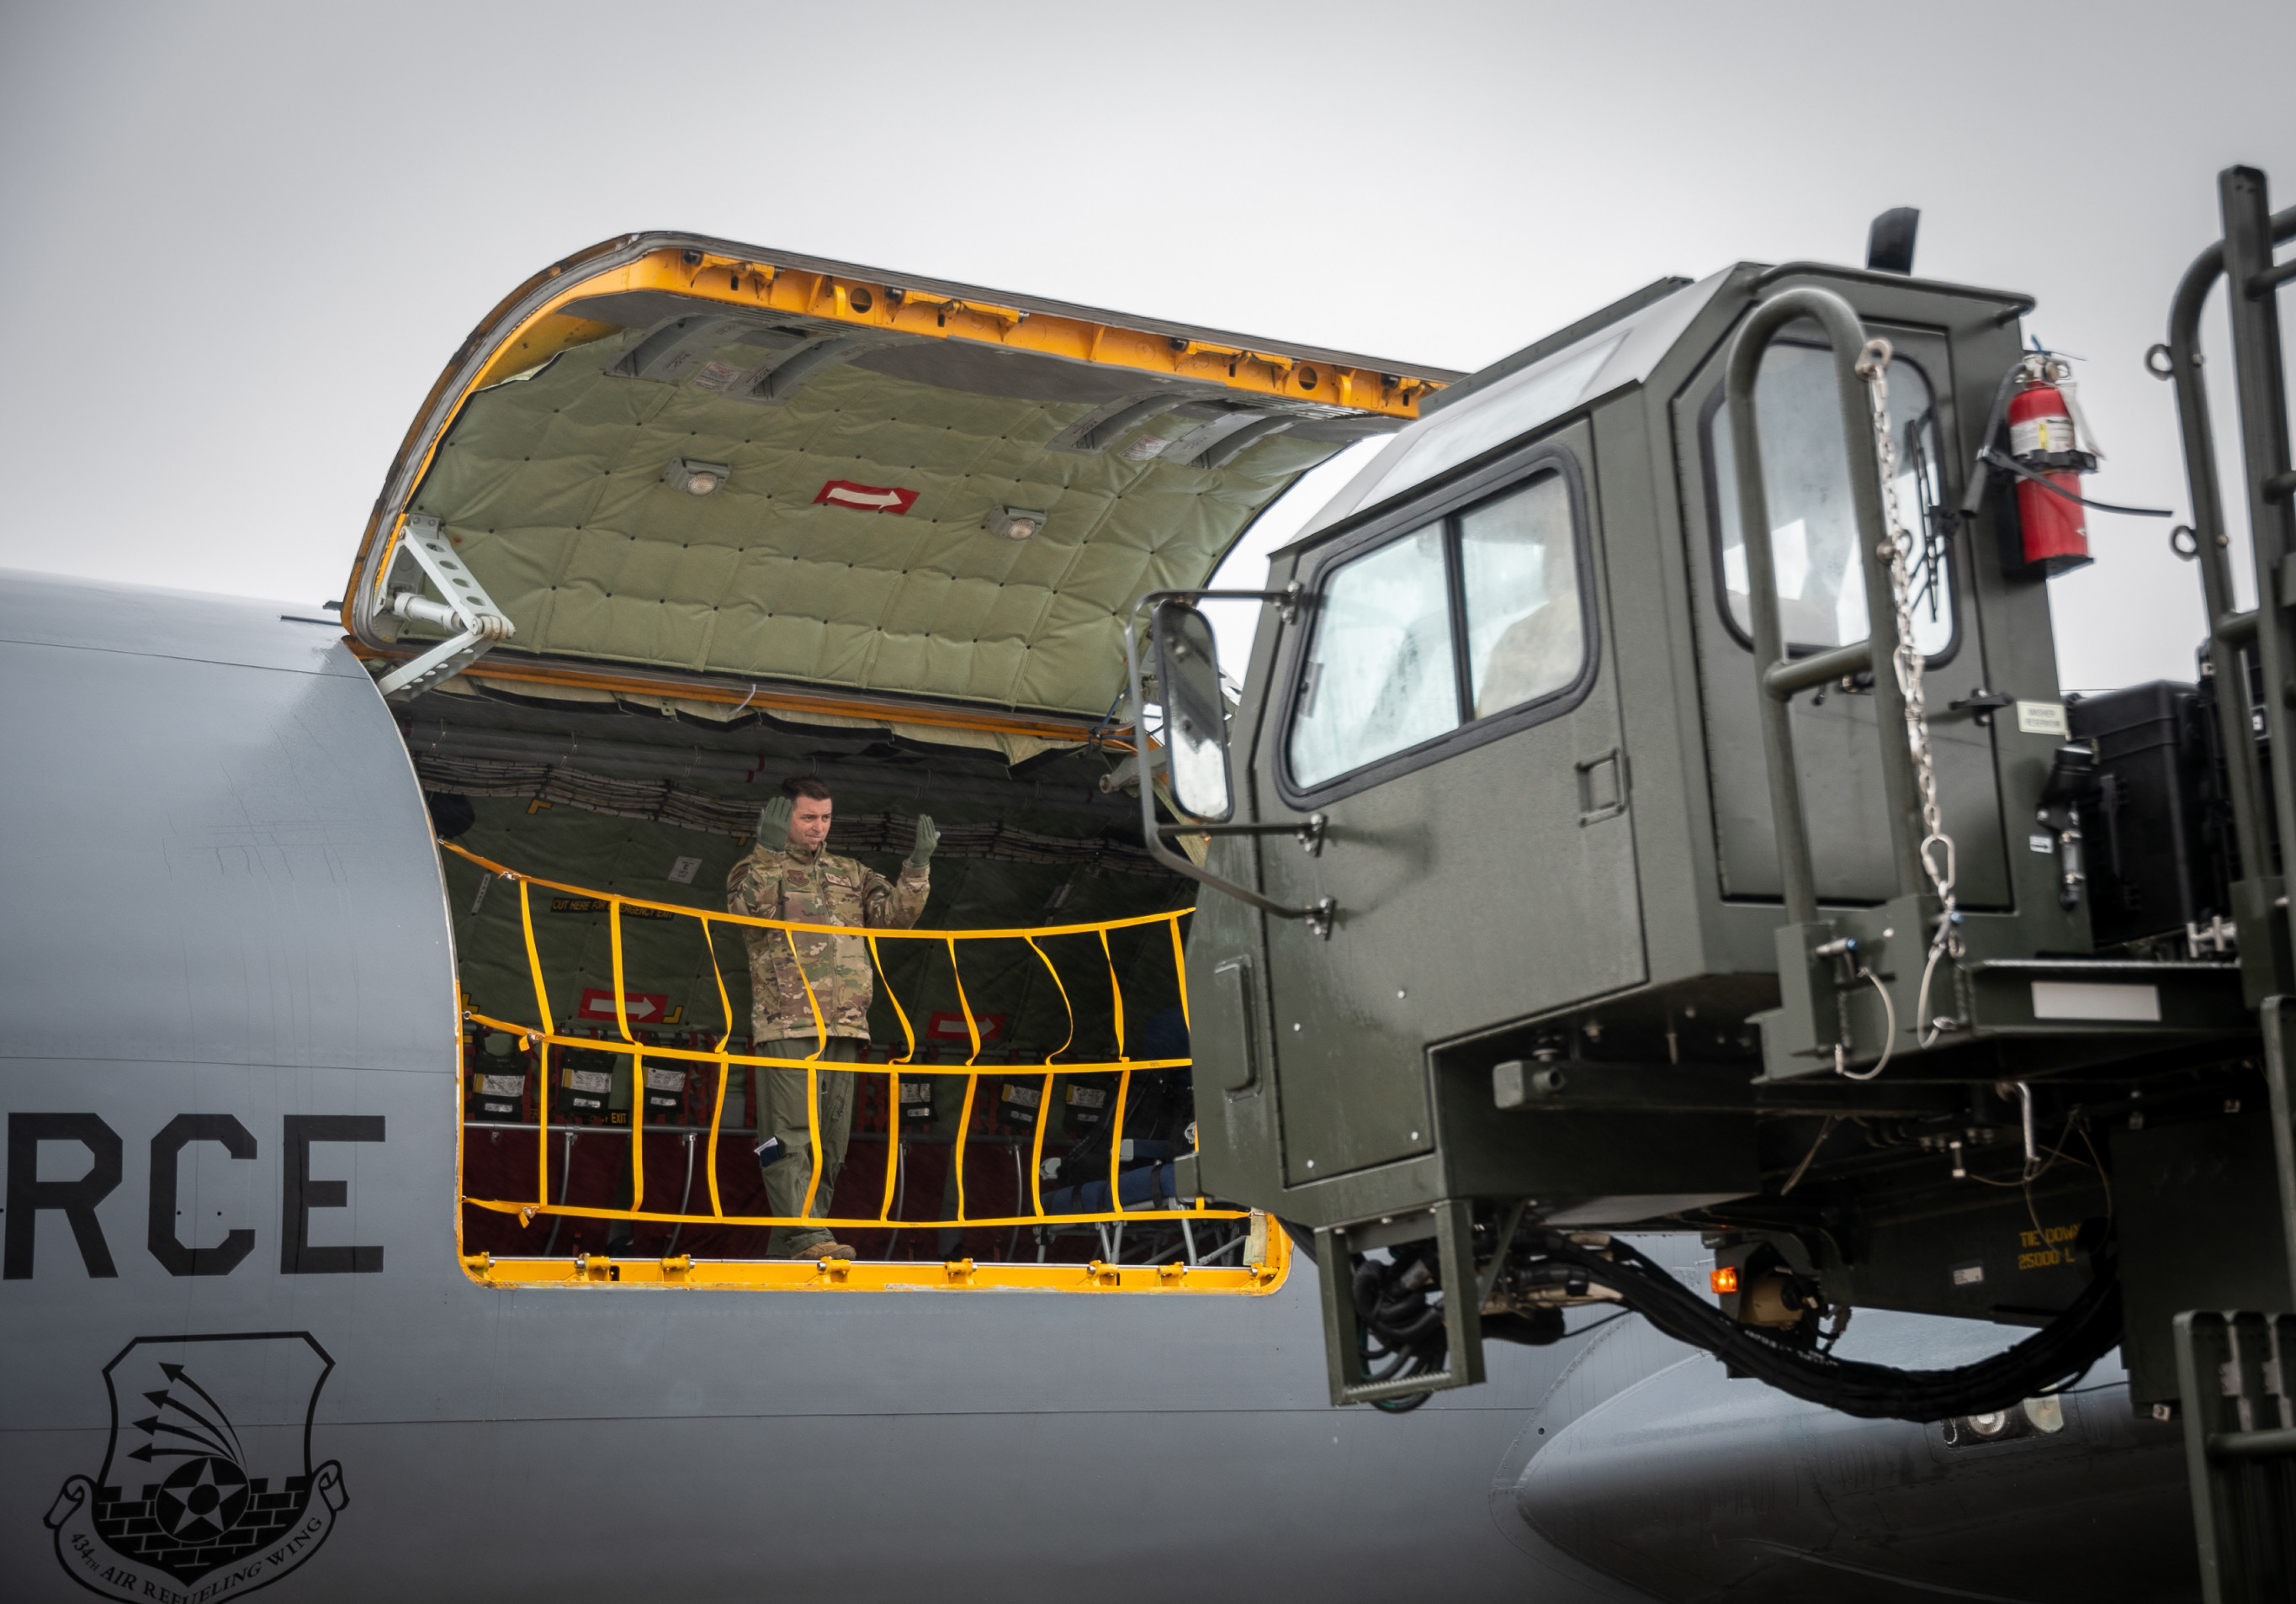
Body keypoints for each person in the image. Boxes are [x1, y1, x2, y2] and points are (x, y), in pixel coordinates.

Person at [728, 777, 936, 1260]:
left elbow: (894, 919)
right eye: (807, 817)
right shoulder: (756, 868)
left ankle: (803, 1236)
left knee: (831, 1138)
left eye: (825, 818)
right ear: (783, 817)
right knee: (785, 1135)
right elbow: (744, 912)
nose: (818, 827)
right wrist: (766, 851)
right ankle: (805, 1235)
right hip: (788, 1022)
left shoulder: (851, 871)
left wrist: (918, 866)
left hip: (845, 1023)